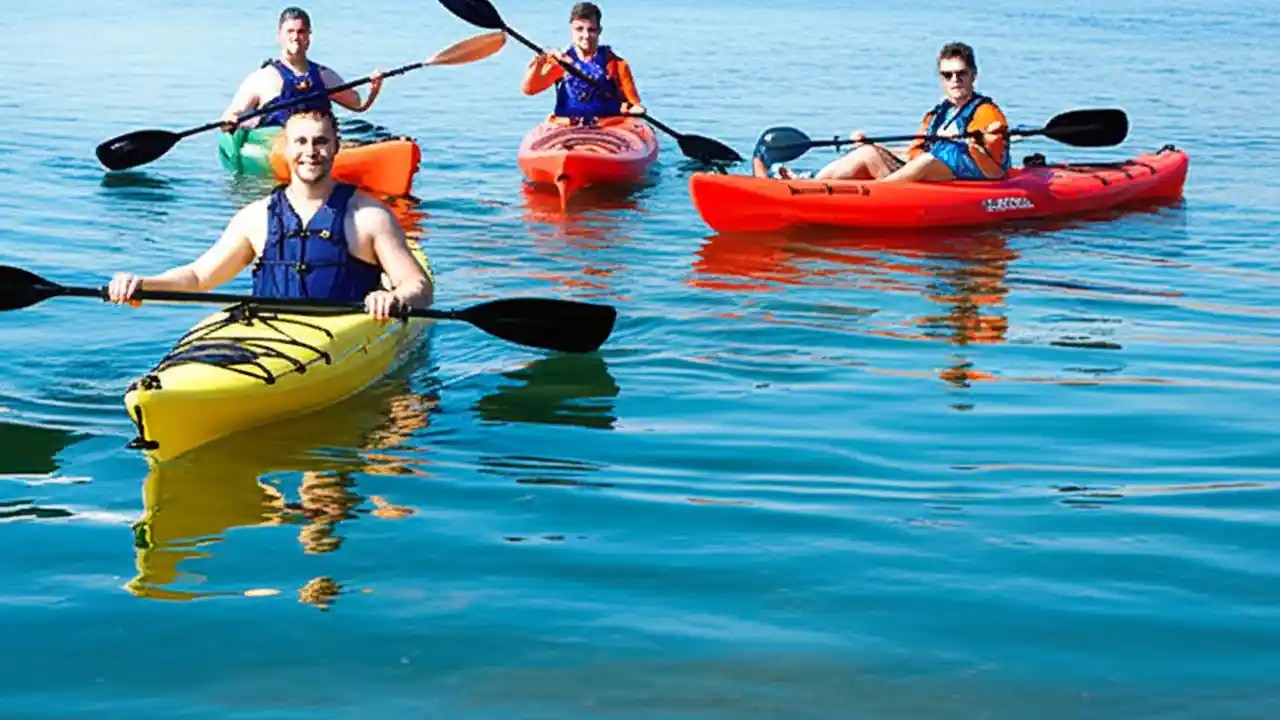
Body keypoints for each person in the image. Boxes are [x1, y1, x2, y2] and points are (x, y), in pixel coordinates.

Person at [108, 109, 432, 320]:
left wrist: (395, 298)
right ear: (286, 149)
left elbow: (418, 285)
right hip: (269, 335)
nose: (310, 151)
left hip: (346, 337)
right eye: (300, 142)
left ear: (336, 147)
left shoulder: (369, 216)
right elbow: (199, 277)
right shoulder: (255, 217)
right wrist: (143, 284)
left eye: (321, 141)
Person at [756, 42, 1009, 182]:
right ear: (941, 78)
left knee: (928, 161)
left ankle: (876, 196)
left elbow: (996, 172)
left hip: (961, 178)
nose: (955, 80)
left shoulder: (987, 114)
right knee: (866, 152)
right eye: (948, 75)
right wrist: (874, 145)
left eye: (961, 74)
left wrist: (976, 149)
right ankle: (812, 185)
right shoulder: (936, 115)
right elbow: (913, 153)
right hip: (922, 176)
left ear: (973, 75)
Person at [219, 6, 384, 131]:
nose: (296, 37)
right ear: (279, 36)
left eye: (301, 32)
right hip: (279, 145)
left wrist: (374, 88)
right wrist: (230, 120)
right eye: (290, 31)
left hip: (321, 145)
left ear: (308, 37)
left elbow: (359, 106)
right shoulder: (262, 79)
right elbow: (233, 112)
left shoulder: (324, 75)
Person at [520, 2, 647, 121]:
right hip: (567, 127)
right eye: (579, 29)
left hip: (607, 126)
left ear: (599, 31)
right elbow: (530, 90)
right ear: (571, 29)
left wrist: (634, 109)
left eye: (591, 30)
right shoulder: (560, 61)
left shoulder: (615, 64)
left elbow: (635, 104)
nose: (586, 35)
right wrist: (539, 63)